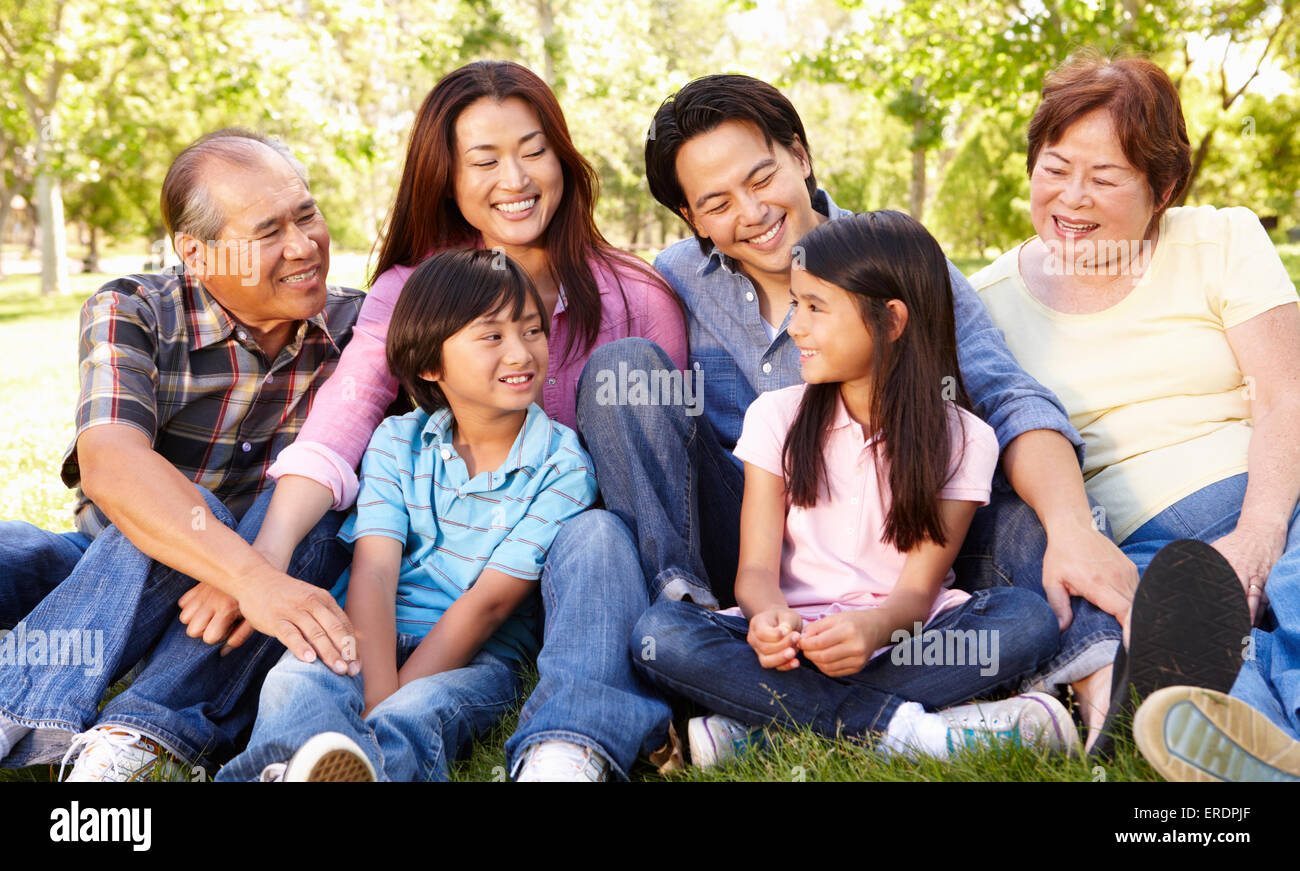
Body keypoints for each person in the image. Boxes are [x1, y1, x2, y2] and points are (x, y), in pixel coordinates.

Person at [518, 72, 1140, 780]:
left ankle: (1094, 672)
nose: (751, 212)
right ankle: (704, 633)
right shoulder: (679, 279)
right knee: (624, 370)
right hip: (750, 555)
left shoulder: (895, 259)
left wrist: (1072, 526)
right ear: (693, 218)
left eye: (762, 178)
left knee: (1031, 512)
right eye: (717, 203)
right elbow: (614, 403)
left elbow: (1007, 397)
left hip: (905, 553)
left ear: (799, 155)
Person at [220, 61, 685, 782]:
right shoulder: (416, 304)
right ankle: (283, 763)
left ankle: (619, 694)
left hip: (575, 576)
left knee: (591, 534)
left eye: (534, 150)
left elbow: (673, 472)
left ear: (562, 156)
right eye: (485, 159)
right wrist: (257, 562)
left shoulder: (636, 297)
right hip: (420, 586)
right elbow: (343, 422)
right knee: (291, 594)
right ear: (446, 177)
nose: (517, 177)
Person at [633, 211, 1076, 765]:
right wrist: (768, 615)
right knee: (662, 633)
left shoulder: (965, 439)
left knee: (1025, 621)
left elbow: (917, 594)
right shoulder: (776, 416)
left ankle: (769, 727)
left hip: (905, 641)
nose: (795, 326)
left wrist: (874, 627)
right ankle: (912, 731)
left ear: (891, 321)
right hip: (793, 650)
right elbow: (754, 572)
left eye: (816, 307)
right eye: (797, 303)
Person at [0, 129, 366, 779]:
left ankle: (110, 729)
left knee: (319, 515)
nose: (304, 245)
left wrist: (258, 578)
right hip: (112, 566)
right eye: (270, 231)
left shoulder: (358, 333)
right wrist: (251, 579)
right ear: (197, 254)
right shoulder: (135, 308)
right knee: (78, 535)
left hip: (251, 596)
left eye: (307, 214)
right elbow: (113, 466)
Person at [969, 51, 1296, 759]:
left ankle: (1271, 727)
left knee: (1296, 576)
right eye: (1054, 169)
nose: (1071, 198)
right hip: (1135, 538)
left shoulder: (1221, 238)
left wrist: (1258, 535)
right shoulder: (986, 302)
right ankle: (1251, 742)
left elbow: (1285, 394)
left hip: (1275, 492)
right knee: (1172, 633)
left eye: (1105, 176)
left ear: (1163, 186)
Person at [217, 248, 598, 781]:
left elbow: (488, 605)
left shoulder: (564, 463)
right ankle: (282, 769)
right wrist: (376, 687)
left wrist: (388, 704)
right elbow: (374, 571)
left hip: (478, 657)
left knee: (418, 714)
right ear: (429, 364)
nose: (521, 352)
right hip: (369, 631)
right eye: (492, 337)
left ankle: (369, 768)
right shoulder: (399, 440)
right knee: (295, 681)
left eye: (532, 331)